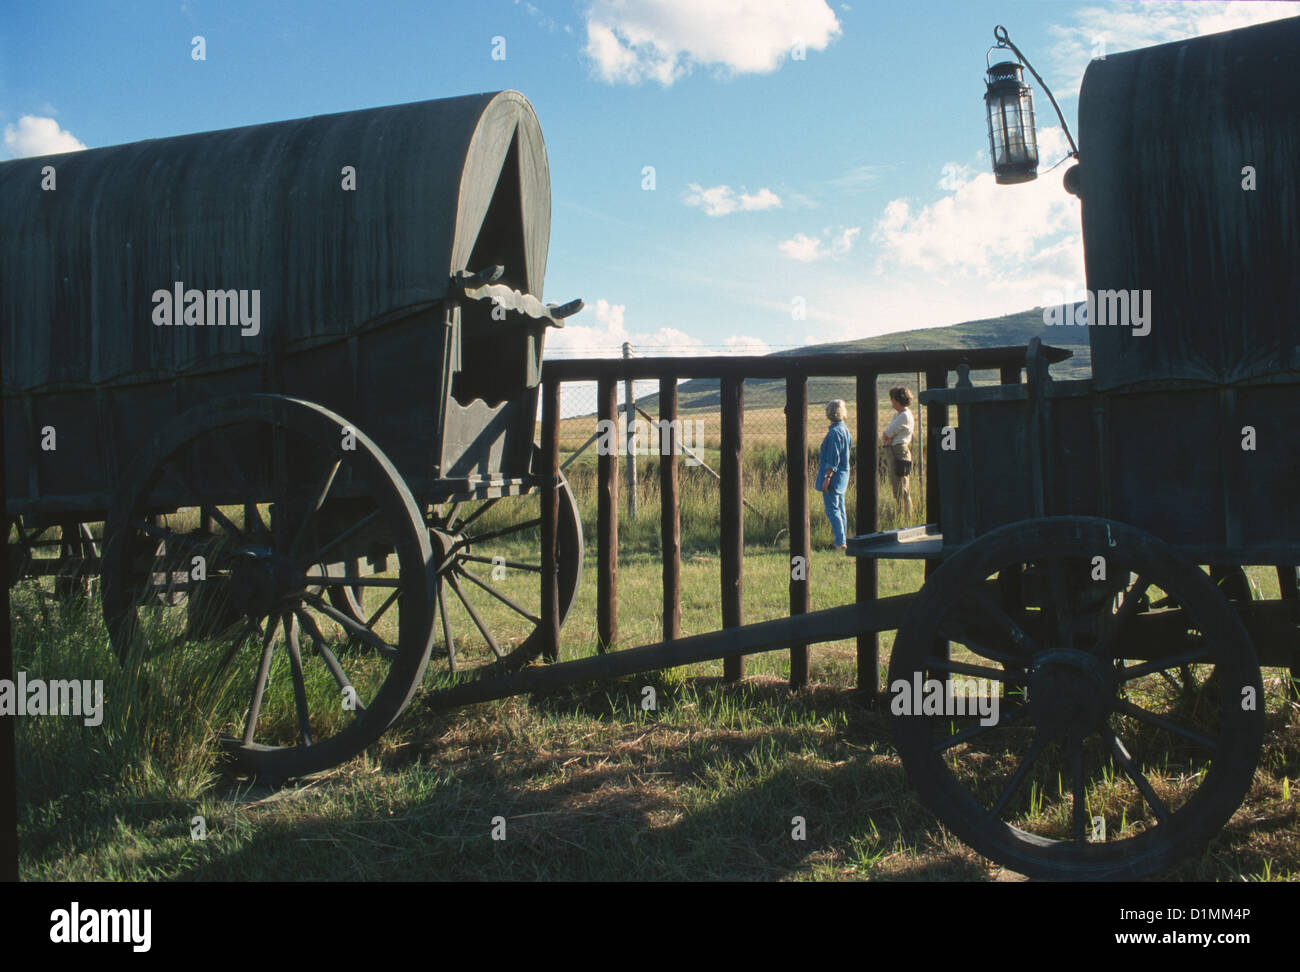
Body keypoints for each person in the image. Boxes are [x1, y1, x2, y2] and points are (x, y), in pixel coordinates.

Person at [817, 400, 852, 550]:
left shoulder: (834, 433)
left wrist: (827, 478)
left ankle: (839, 542)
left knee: (832, 510)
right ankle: (842, 539)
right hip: (843, 475)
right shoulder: (844, 430)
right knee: (840, 508)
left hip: (834, 478)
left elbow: (833, 458)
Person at [880, 386, 914, 519]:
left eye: (892, 399)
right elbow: (887, 435)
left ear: (897, 400)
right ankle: (901, 513)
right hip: (894, 450)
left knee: (902, 486)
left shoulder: (904, 416)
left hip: (899, 451)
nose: (891, 402)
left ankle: (906, 516)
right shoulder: (898, 415)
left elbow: (886, 434)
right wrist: (889, 437)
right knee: (896, 485)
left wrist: (889, 437)